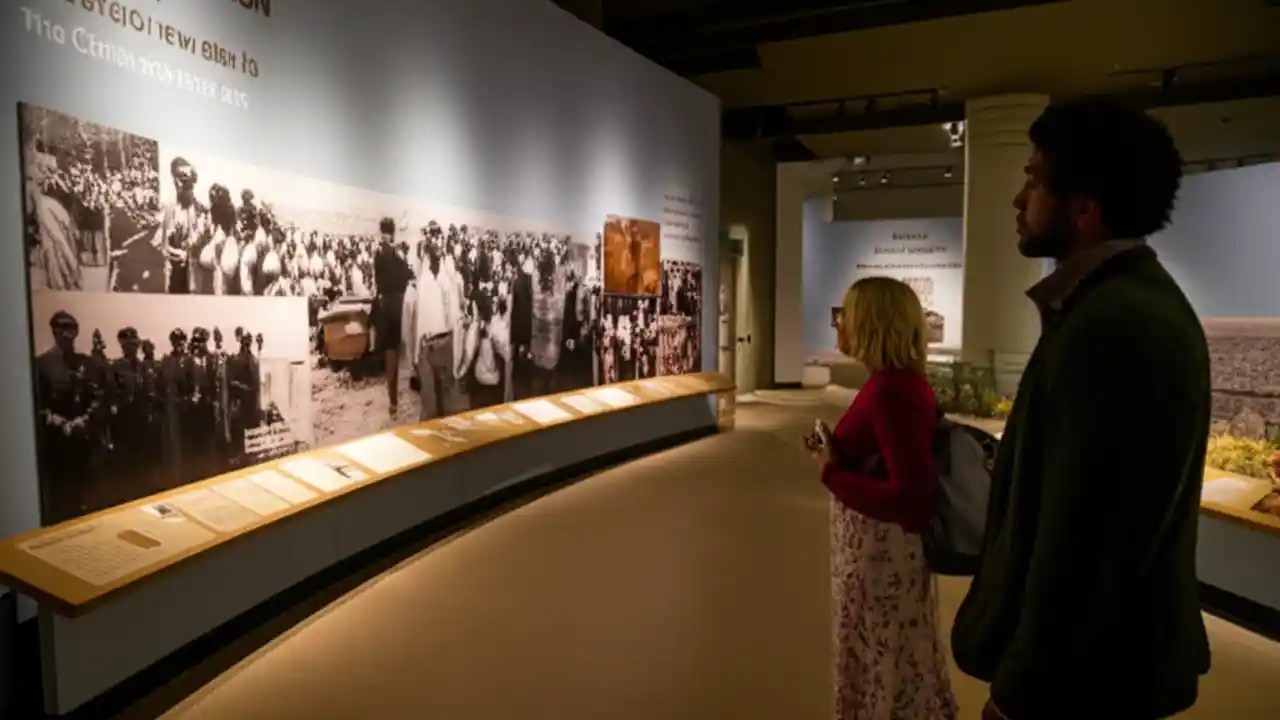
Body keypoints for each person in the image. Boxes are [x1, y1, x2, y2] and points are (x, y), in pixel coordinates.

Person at [951, 99, 1210, 720]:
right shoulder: (1124, 307)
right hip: (1105, 672)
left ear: (1085, 209)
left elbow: (1083, 542)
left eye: (1035, 179)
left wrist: (1019, 696)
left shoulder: (1112, 327)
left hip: (1084, 686)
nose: (1019, 199)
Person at [814, 277, 957, 720]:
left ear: (871, 324)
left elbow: (912, 494)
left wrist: (833, 474)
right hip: (879, 553)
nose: (839, 328)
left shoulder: (890, 391)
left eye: (847, 318)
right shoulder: (897, 384)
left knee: (885, 656)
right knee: (892, 653)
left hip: (881, 558)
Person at [36, 311, 96, 523]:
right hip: (56, 440)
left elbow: (95, 398)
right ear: (53, 330)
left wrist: (85, 419)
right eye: (60, 328)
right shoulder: (42, 364)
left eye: (70, 328)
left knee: (83, 494)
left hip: (82, 437)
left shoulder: (85, 362)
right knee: (59, 497)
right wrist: (59, 422)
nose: (65, 333)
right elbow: (38, 405)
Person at [373, 217, 411, 418]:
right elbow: (406, 275)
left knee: (390, 352)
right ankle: (395, 399)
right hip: (399, 302)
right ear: (393, 232)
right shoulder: (398, 254)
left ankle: (393, 401)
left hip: (386, 303)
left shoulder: (380, 252)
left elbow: (378, 279)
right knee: (397, 350)